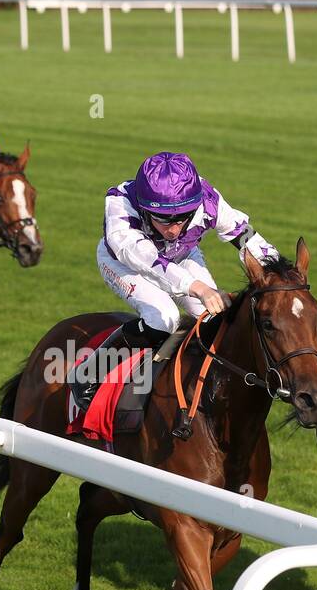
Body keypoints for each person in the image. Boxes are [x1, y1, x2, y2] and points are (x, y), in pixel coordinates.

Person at [75, 151, 279, 412]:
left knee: (215, 320)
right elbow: (145, 259)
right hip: (125, 263)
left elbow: (244, 235)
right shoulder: (120, 201)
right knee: (164, 318)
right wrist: (197, 287)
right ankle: (89, 373)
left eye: (182, 218)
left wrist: (278, 270)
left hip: (181, 256)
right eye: (162, 219)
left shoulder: (208, 198)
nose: (172, 229)